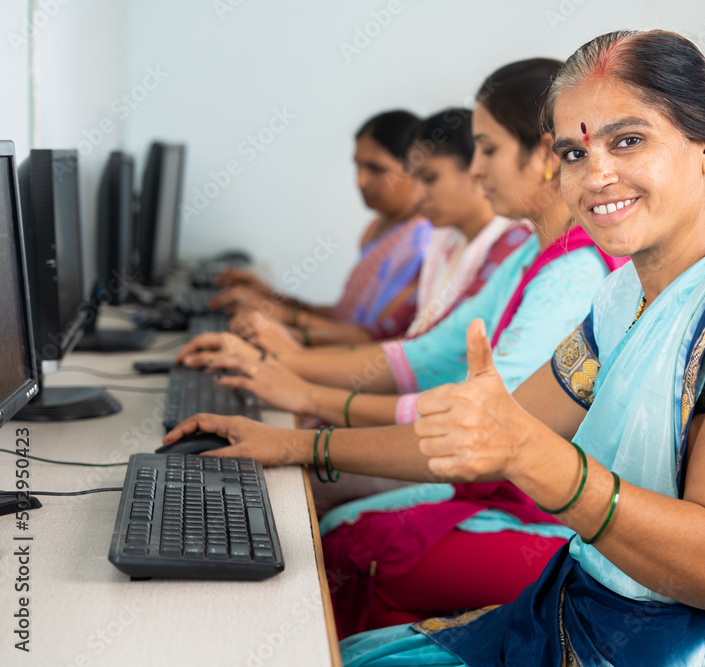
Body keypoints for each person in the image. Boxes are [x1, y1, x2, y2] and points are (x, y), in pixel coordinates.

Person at [167, 58, 628, 634]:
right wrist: (288, 375)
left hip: (545, 515)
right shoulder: (529, 254)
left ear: (539, 154)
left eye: (485, 149)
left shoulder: (575, 271)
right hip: (495, 483)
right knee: (314, 518)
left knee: (335, 537)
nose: (476, 169)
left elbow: (484, 425)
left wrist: (302, 427)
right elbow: (422, 355)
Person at [238, 107, 533, 355]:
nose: (360, 181)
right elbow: (392, 333)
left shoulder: (435, 241)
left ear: (477, 170)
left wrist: (295, 349)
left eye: (428, 178)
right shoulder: (447, 242)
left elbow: (410, 349)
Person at [213, 110, 433, 343]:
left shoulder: (423, 244)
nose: (360, 181)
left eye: (376, 169)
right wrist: (274, 299)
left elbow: (375, 338)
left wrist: (288, 320)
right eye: (357, 166)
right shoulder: (379, 227)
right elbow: (346, 317)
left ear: (416, 170)